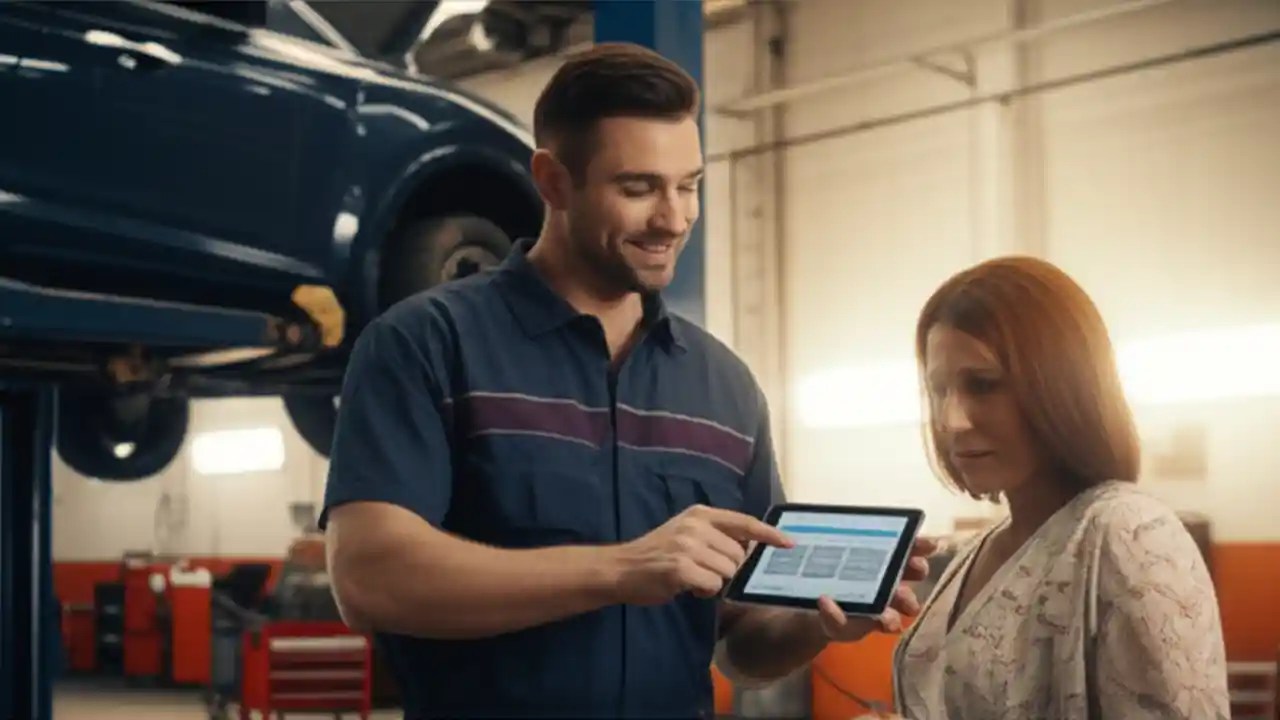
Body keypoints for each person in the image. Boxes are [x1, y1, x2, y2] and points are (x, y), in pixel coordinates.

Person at [320, 42, 933, 719]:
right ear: (552, 181)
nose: (673, 218)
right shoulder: (425, 345)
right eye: (638, 188)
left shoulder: (723, 387)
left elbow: (741, 643)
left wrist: (820, 623)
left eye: (690, 184)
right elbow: (369, 576)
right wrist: (621, 568)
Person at [891, 256, 1230, 718]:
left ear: (1061, 386)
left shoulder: (1128, 533)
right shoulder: (980, 549)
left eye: (984, 385)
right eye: (939, 390)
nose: (952, 420)